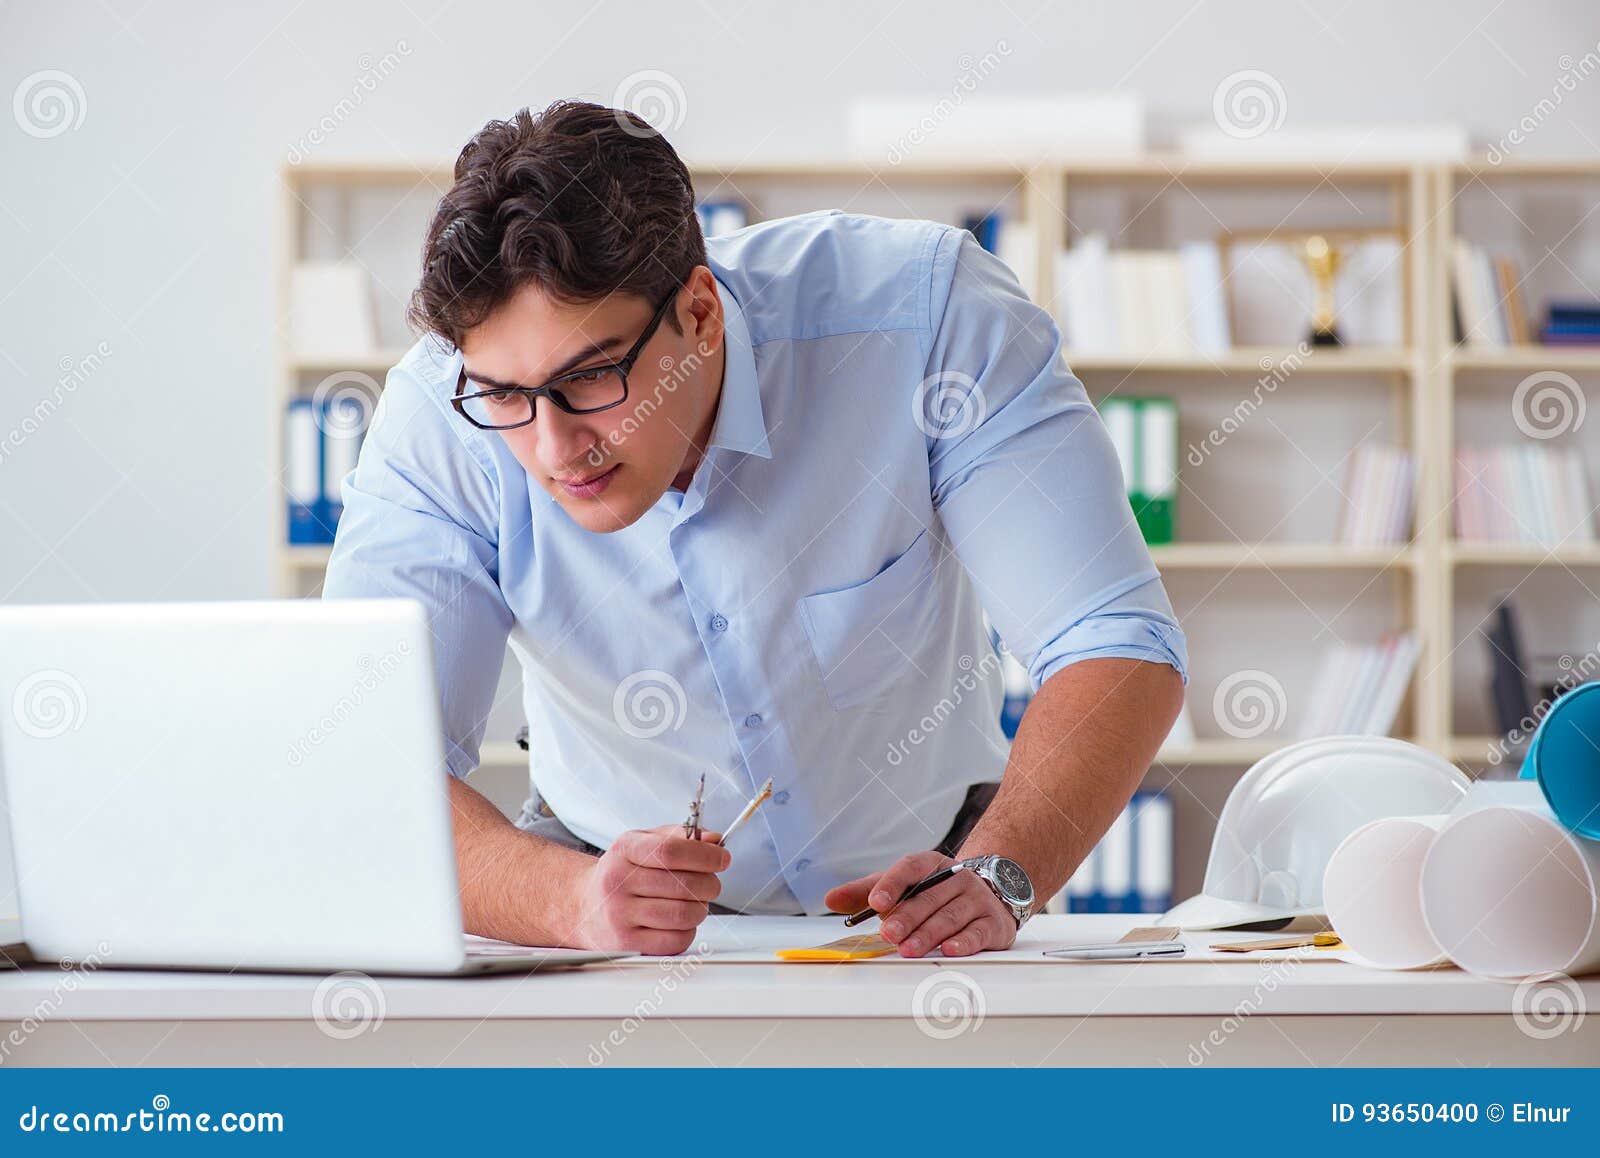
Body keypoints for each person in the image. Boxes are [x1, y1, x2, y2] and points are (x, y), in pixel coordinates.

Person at [324, 100, 1187, 958]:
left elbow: (1115, 641)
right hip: (597, 888)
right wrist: (574, 904)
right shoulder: (439, 417)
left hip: (940, 877)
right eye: (506, 396)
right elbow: (372, 762)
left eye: (590, 378)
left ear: (699, 312)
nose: (554, 449)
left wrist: (1001, 874)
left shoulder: (927, 319)